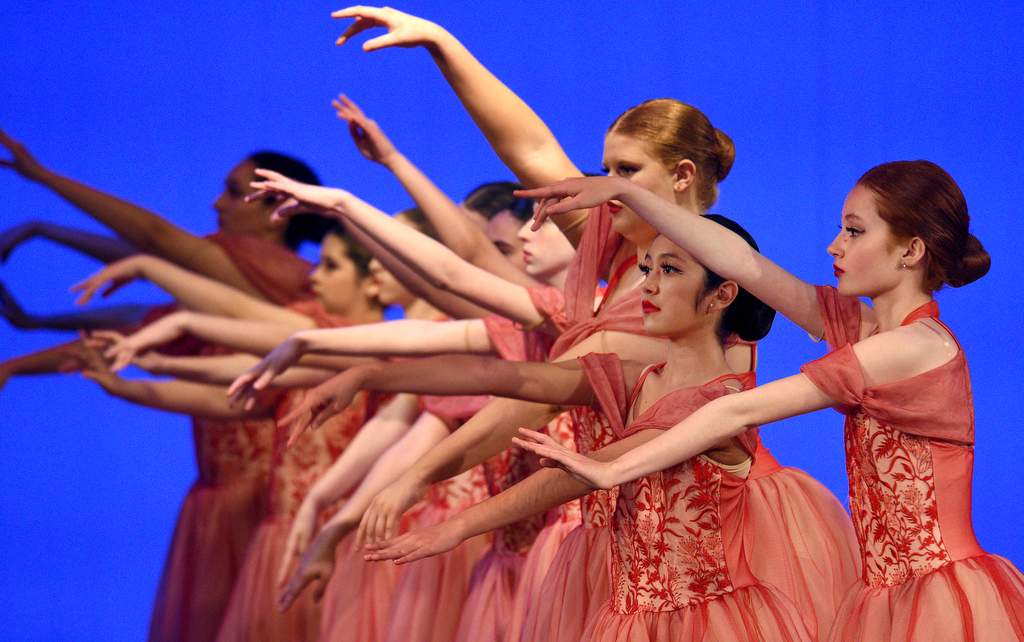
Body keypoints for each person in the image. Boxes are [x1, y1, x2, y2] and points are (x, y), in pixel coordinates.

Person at [328, 7, 859, 639]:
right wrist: (444, 45)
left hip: (698, 535)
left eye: (625, 173)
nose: (604, 185)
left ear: (682, 177)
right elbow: (528, 149)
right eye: (605, 169)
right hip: (609, 525)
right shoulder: (610, 249)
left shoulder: (704, 290)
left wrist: (424, 484)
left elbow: (531, 392)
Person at [514, 161, 1024, 640]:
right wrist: (628, 193)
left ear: (910, 251)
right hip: (887, 596)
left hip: (937, 593)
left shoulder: (913, 346)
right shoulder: (865, 334)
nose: (834, 246)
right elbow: (741, 262)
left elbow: (736, 409)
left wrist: (611, 470)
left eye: (854, 230)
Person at [278, 220, 812, 641]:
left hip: (704, 625)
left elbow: (587, 473)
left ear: (721, 297)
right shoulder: (635, 379)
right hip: (628, 618)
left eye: (670, 271)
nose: (647, 285)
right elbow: (505, 375)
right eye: (647, 268)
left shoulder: (722, 402)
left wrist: (460, 525)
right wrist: (369, 372)